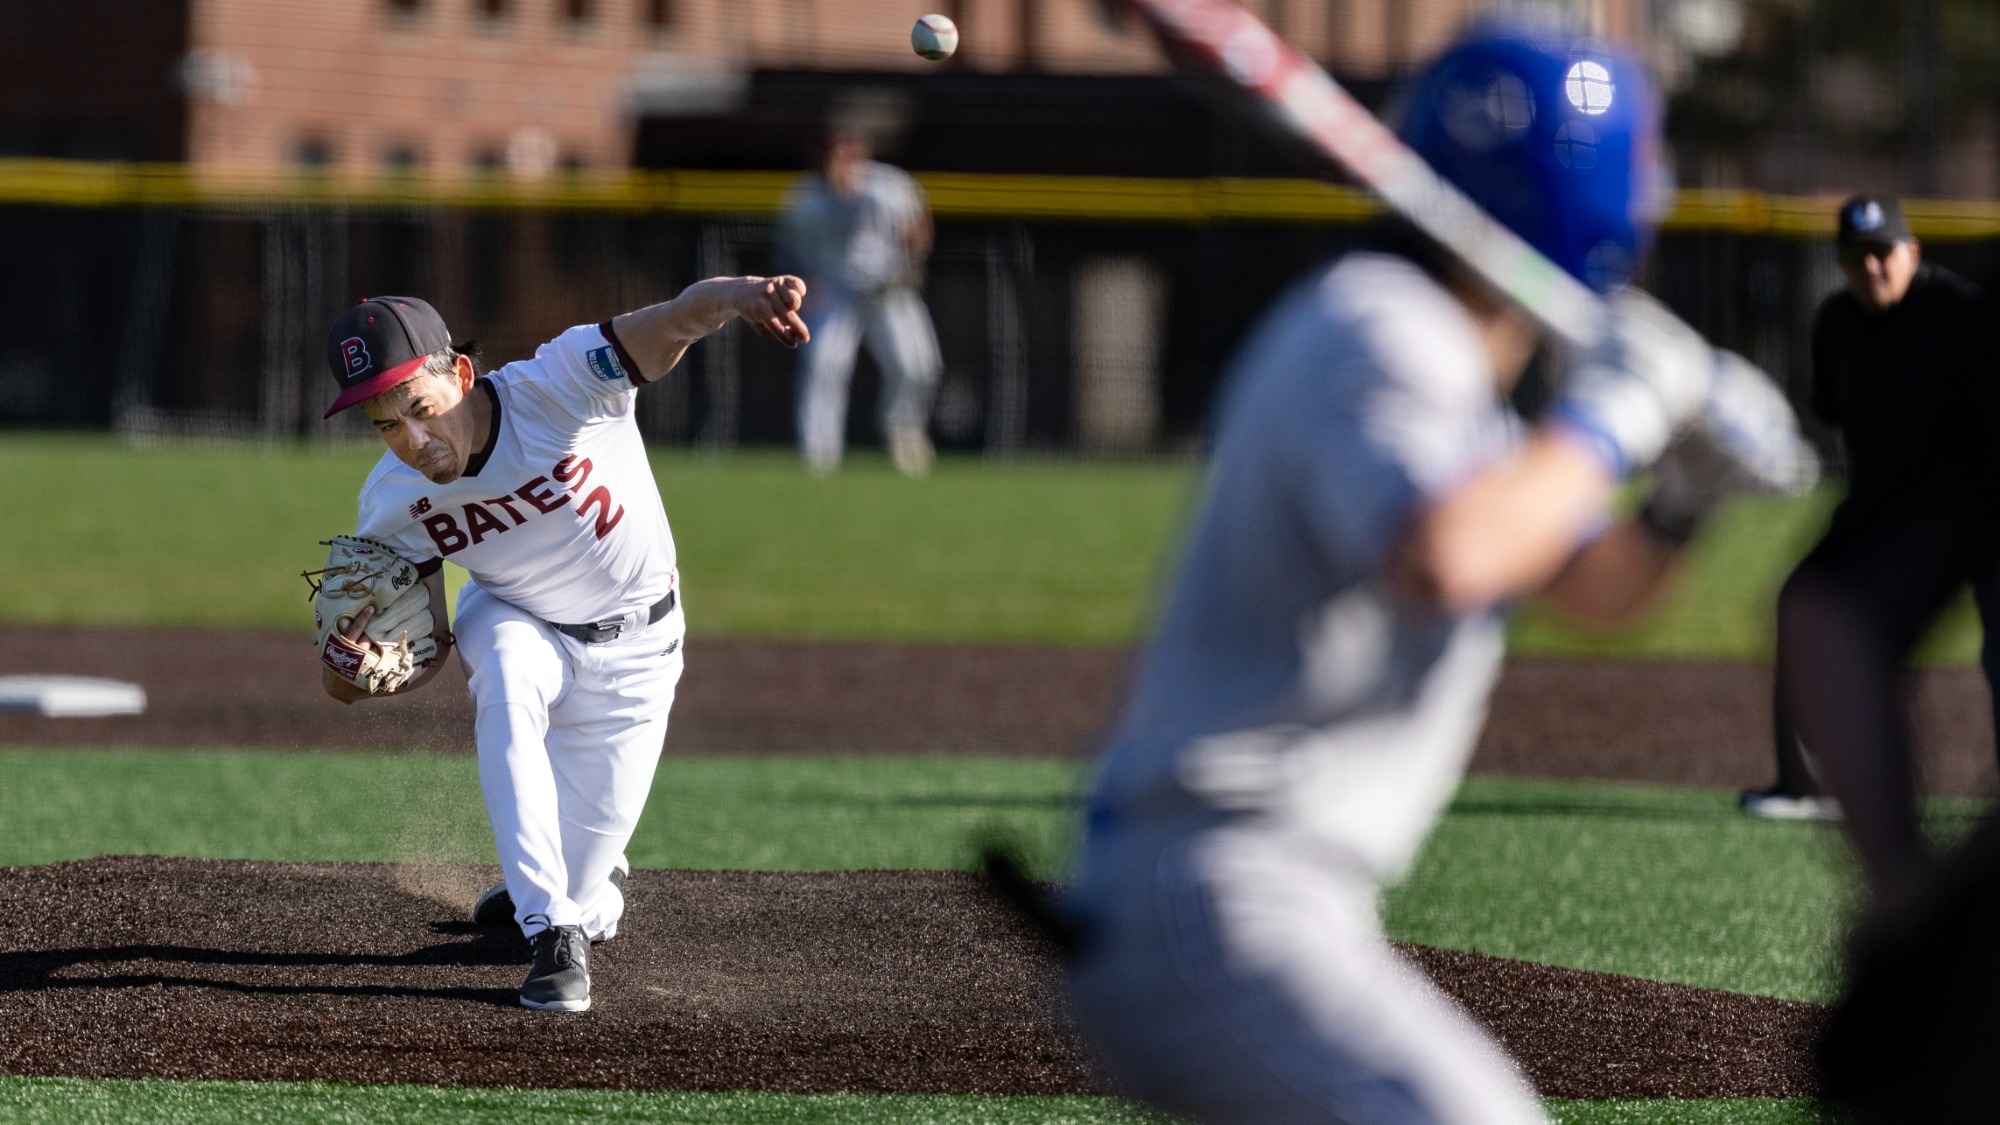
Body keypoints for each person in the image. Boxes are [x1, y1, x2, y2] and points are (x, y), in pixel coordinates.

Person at [1062, 24, 1811, 1125]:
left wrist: (1679, 497)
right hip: (1216, 894)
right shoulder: (1383, 329)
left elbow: (1583, 587)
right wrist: (1616, 416)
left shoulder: (1441, 364)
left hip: (1262, 901)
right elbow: (1448, 556)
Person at [316, 278, 808, 1011]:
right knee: (506, 676)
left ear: (460, 374)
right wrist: (353, 668)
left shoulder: (563, 381)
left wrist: (741, 297)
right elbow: (400, 661)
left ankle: (572, 898)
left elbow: (673, 322)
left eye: (420, 408)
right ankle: (550, 932)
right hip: (516, 618)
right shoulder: (392, 501)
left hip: (640, 654)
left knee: (587, 889)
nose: (412, 442)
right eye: (387, 424)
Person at [1741, 195, 2000, 822]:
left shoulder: (1958, 312)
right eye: (1856, 258)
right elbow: (1834, 414)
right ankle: (1805, 785)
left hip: (1982, 504)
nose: (1872, 269)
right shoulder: (1834, 322)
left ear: (1911, 252)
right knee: (1805, 599)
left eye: (1883, 254)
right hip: (1886, 506)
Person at [778, 128, 943, 477]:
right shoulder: (807, 198)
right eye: (834, 155)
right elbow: (790, 249)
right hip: (838, 292)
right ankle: (818, 453)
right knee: (823, 365)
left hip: (889, 289)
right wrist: (804, 286)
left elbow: (919, 228)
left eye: (848, 153)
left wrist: (912, 261)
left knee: (918, 366)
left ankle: (902, 428)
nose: (842, 162)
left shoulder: (889, 187)